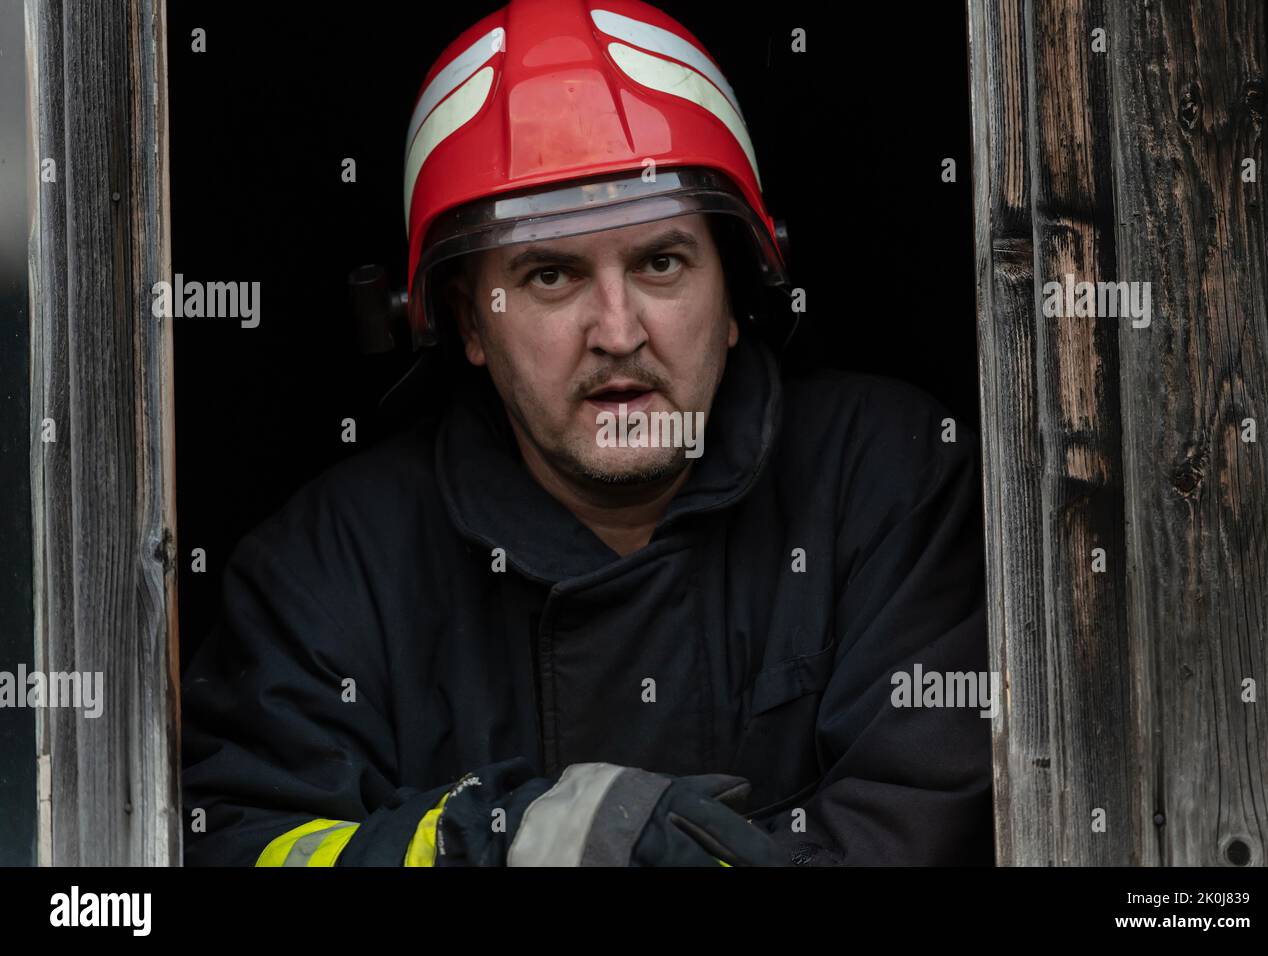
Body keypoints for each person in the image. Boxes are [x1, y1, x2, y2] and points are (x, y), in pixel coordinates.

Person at [181, 0, 993, 867]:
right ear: (469, 326)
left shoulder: (888, 479)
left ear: (735, 291)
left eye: (660, 262)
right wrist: (494, 842)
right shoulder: (328, 569)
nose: (617, 330)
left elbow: (933, 829)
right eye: (551, 274)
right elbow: (238, 845)